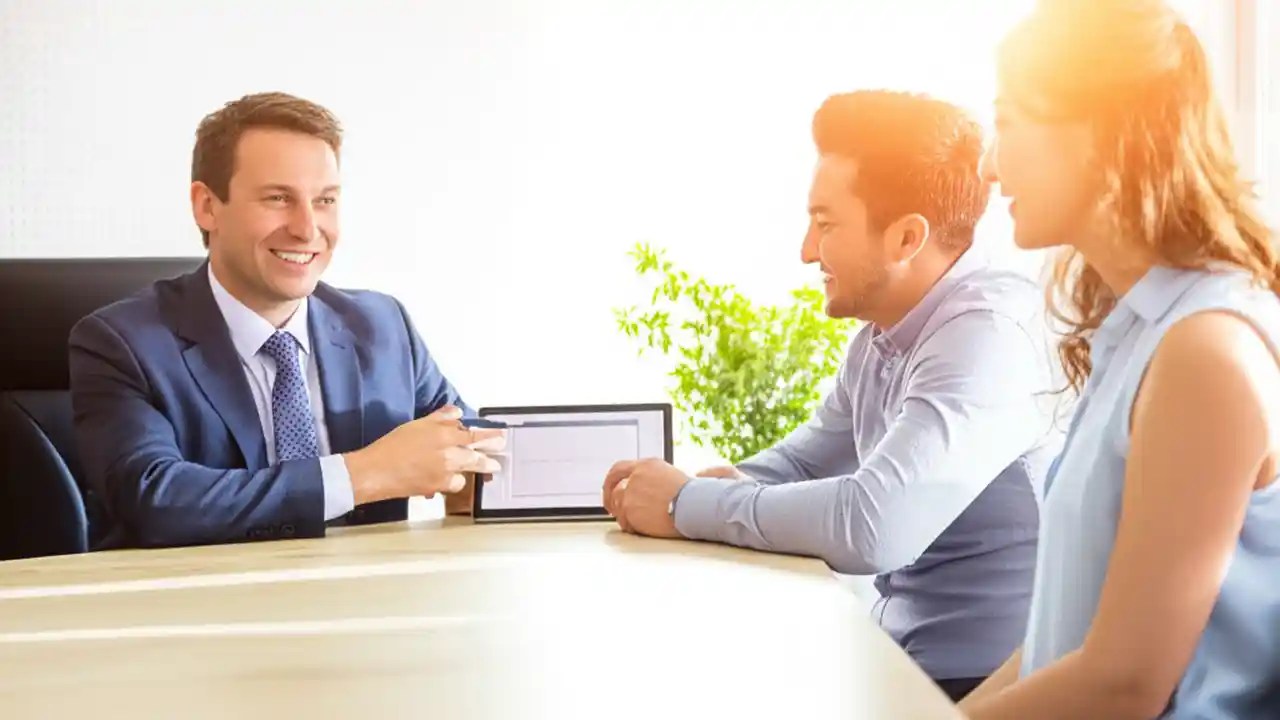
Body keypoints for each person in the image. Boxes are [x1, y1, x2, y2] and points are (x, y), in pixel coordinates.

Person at [603, 90, 1057, 700]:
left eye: (825, 224)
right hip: (902, 663)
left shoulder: (987, 338)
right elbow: (803, 461)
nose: (806, 251)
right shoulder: (883, 337)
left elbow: (874, 525)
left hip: (986, 689)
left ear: (906, 238)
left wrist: (688, 505)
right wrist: (700, 486)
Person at [959, 2, 1280, 717]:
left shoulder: (1206, 351)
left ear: (1102, 132)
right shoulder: (1139, 331)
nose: (987, 162)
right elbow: (1066, 641)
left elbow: (1123, 683)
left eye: (1009, 122)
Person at [69, 92, 502, 549]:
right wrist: (363, 476)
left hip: (366, 606)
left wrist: (509, 478)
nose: (307, 228)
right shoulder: (121, 343)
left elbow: (479, 452)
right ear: (207, 206)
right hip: (199, 609)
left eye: (325, 201)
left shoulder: (382, 326)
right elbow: (155, 501)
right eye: (278, 198)